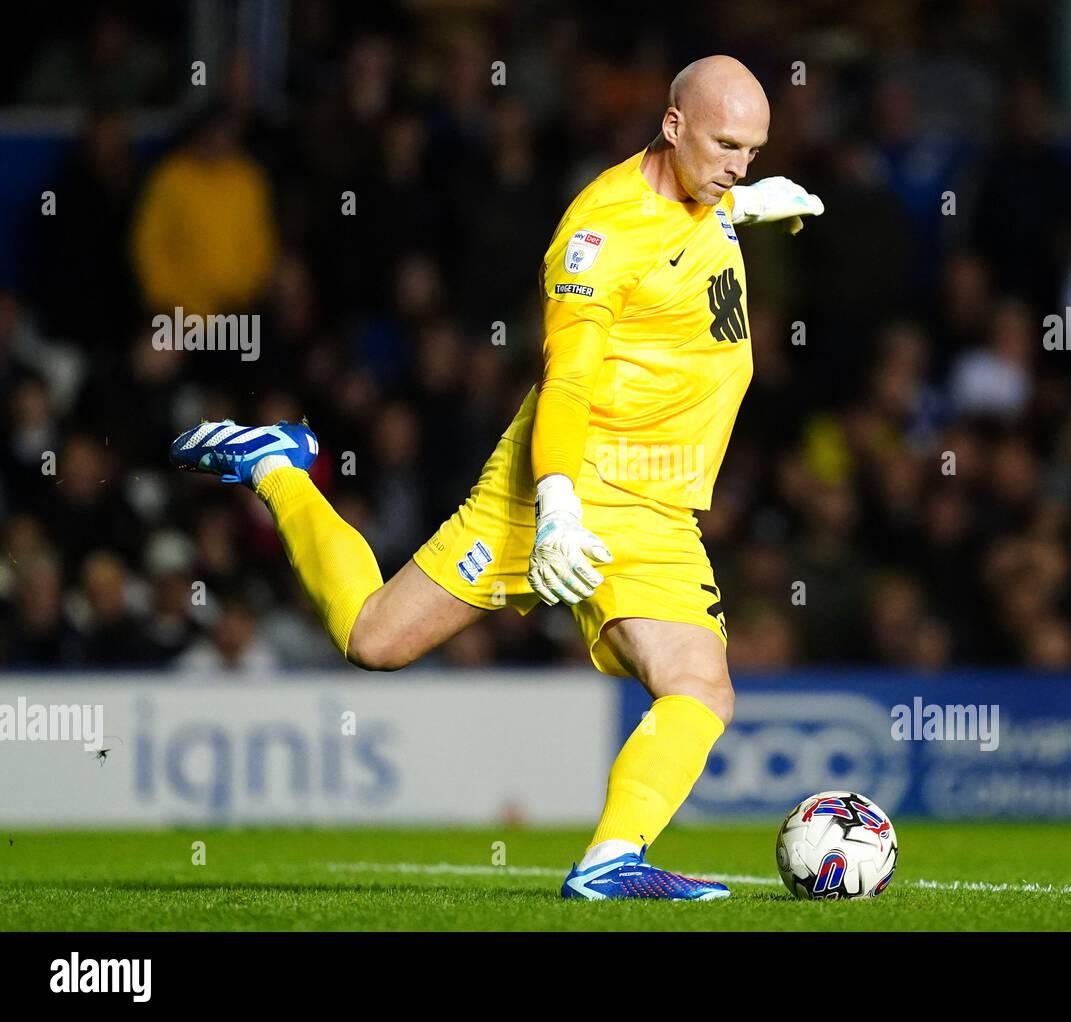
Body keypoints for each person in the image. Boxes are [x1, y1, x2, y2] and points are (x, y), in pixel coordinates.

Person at [169, 55, 821, 900]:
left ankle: (610, 861)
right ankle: (278, 471)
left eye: (755, 152)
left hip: (659, 505)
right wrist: (555, 506)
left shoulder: (707, 195)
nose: (740, 164)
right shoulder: (598, 234)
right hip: (568, 481)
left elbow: (697, 217)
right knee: (374, 640)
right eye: (727, 145)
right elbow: (569, 380)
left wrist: (745, 204)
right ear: (671, 125)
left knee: (701, 686)